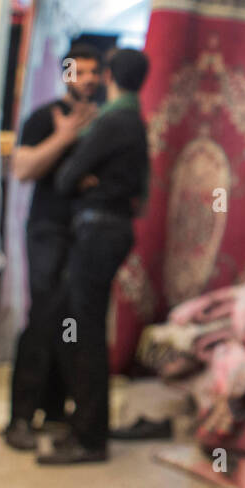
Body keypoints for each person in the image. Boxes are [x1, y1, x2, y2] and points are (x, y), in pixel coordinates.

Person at [38, 47, 150, 465]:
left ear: (108, 77)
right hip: (113, 229)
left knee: (82, 332)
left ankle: (89, 437)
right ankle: (88, 426)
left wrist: (82, 177)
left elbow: (66, 178)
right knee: (82, 327)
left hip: (98, 230)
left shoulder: (112, 121)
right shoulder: (134, 120)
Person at [3, 43, 101, 451]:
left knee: (75, 323)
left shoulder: (105, 121)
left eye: (94, 73)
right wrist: (62, 139)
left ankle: (58, 412)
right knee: (43, 319)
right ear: (66, 74)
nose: (88, 79)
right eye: (80, 72)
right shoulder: (45, 118)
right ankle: (20, 419)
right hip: (47, 230)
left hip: (87, 236)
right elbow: (22, 168)